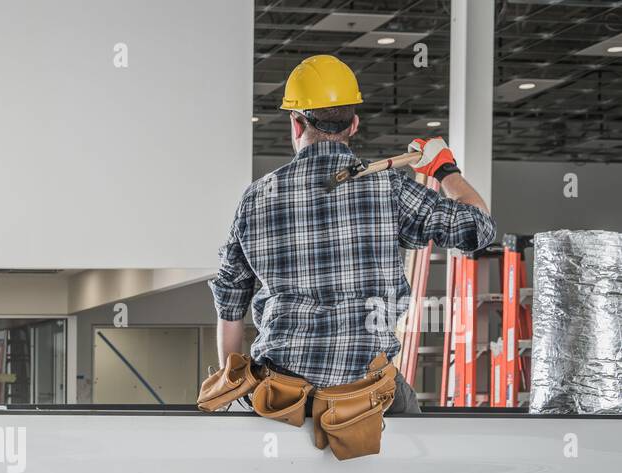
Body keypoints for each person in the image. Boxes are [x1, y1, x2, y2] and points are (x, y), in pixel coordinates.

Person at [210, 54, 496, 414]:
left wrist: (235, 388)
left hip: (284, 391)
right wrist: (444, 169)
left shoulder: (256, 198)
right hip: (366, 391)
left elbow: (230, 306)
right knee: (415, 434)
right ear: (354, 123)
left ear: (296, 124)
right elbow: (478, 227)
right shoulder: (388, 187)